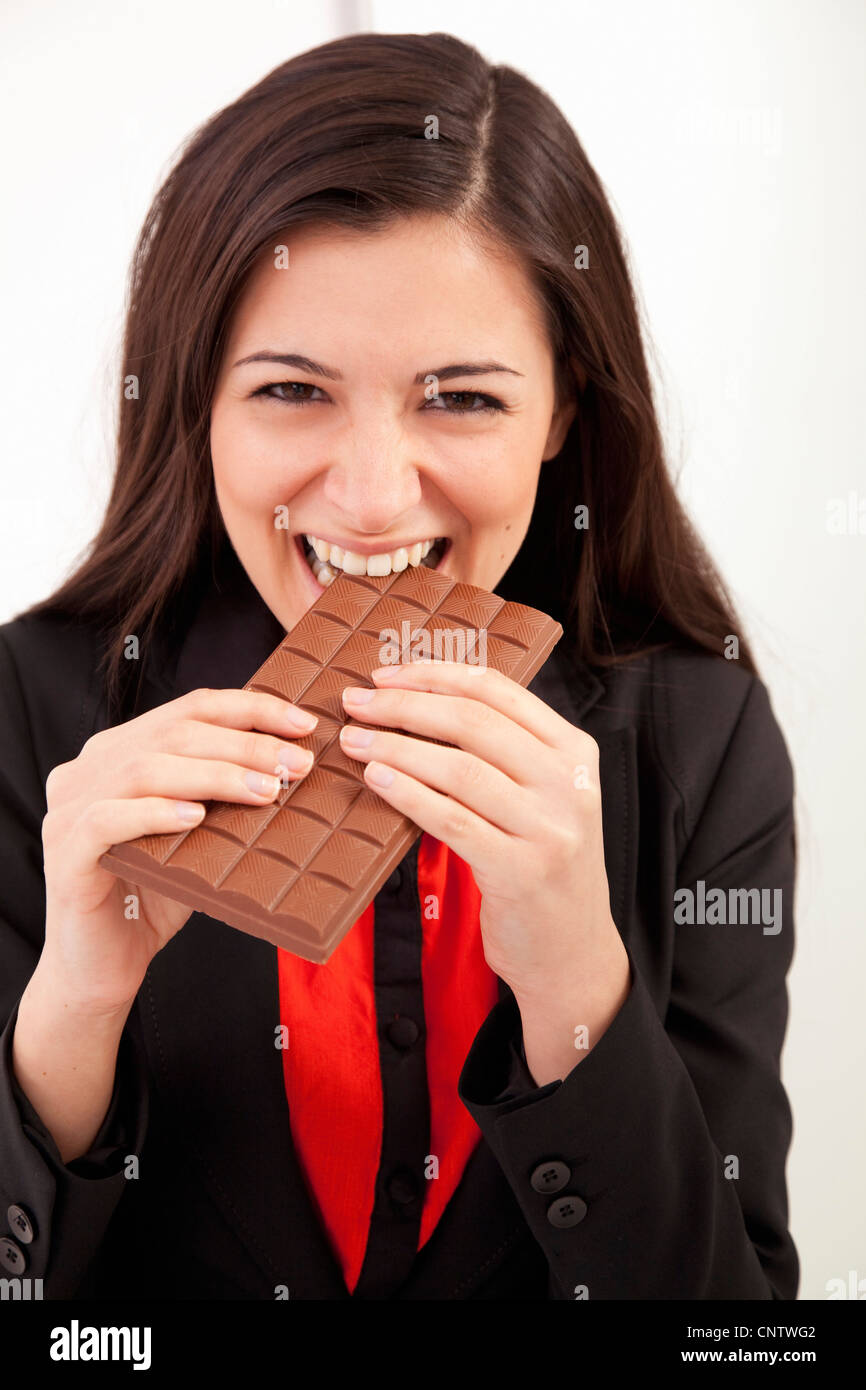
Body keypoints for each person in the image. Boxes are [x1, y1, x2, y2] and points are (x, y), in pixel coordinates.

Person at [0, 31, 798, 1300]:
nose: (372, 497)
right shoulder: (32, 715)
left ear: (564, 412)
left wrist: (575, 988)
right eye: (290, 391)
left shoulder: (697, 740)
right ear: (197, 402)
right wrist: (73, 1013)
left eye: (461, 398)